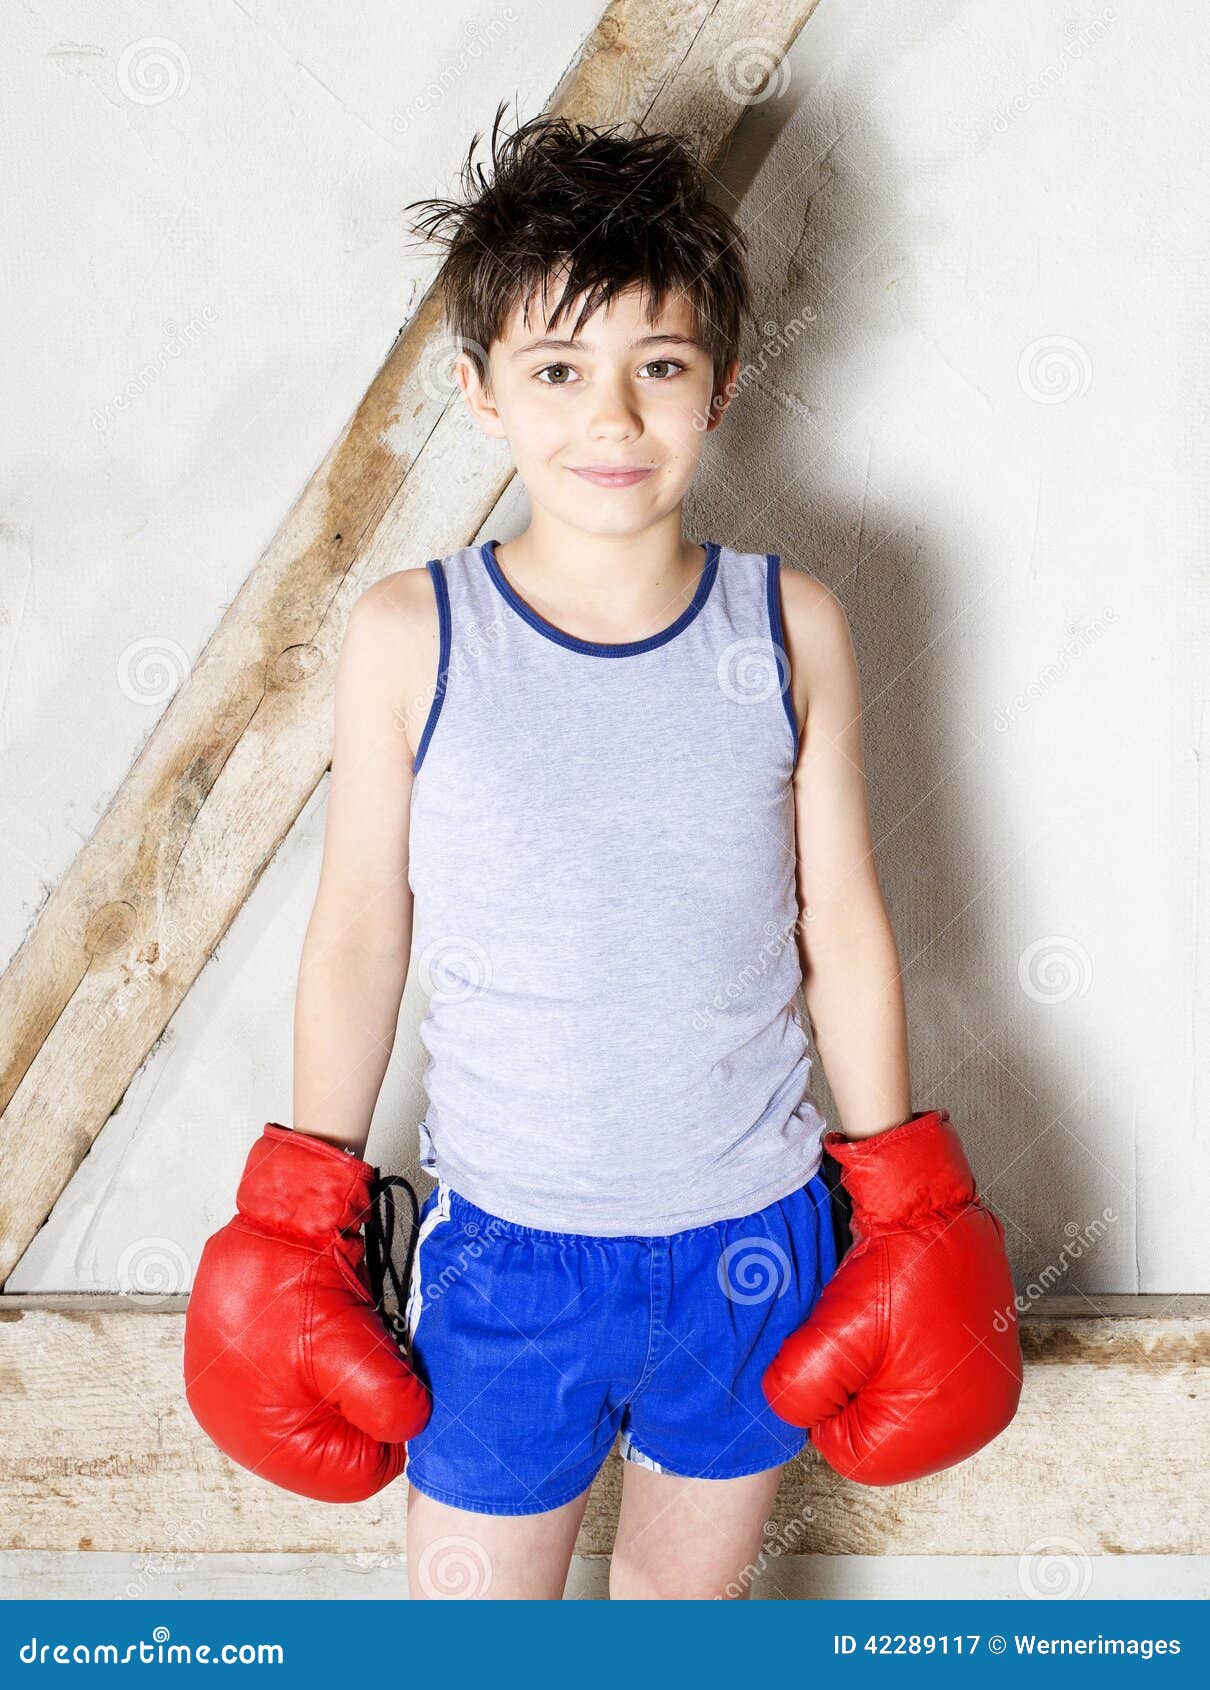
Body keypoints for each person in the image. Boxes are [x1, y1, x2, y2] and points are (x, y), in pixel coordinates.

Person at [184, 104, 1020, 1600]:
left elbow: (842, 923)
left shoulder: (791, 624)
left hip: (752, 1247)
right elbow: (361, 931)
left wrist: (906, 1201)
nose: (612, 419)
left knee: (671, 1629)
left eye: (660, 368)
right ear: (481, 392)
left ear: (723, 386)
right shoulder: (408, 634)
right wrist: (303, 1211)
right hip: (510, 1253)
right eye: (558, 370)